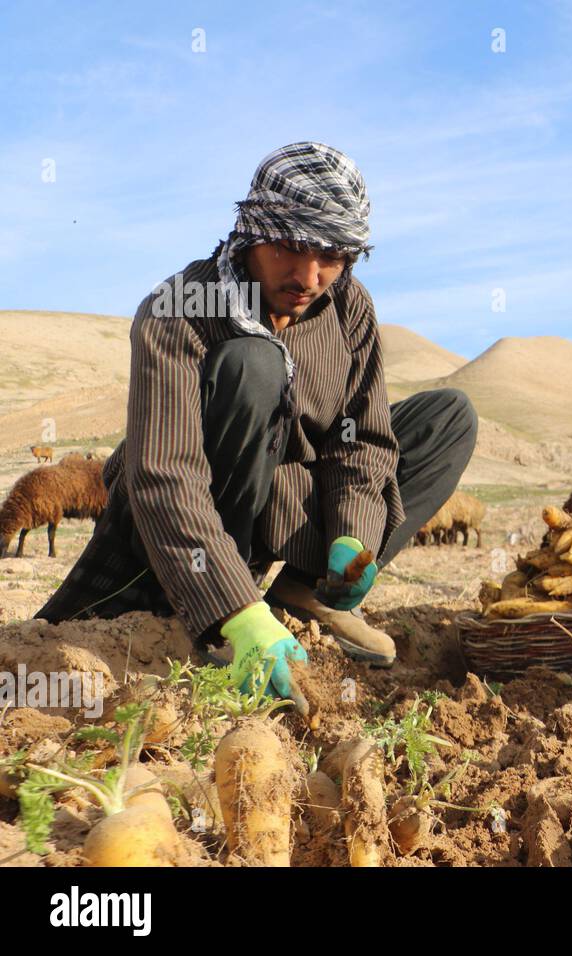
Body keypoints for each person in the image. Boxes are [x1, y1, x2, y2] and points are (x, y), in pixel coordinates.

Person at [36, 143, 478, 709]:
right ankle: (224, 612)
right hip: (176, 537)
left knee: (446, 417)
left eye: (333, 256)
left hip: (287, 497)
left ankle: (308, 591)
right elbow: (165, 475)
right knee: (251, 364)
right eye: (290, 249)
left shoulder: (347, 305)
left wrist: (353, 536)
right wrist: (235, 611)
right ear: (251, 233)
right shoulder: (180, 308)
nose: (309, 276)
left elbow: (362, 438)